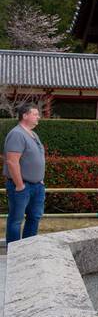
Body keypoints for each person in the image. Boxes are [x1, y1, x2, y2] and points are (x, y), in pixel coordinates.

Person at [4, 101, 46, 244]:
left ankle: (28, 251)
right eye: (35, 114)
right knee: (16, 220)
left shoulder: (33, 134)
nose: (38, 117)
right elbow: (12, 161)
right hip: (22, 186)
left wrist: (40, 180)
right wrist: (19, 185)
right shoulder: (17, 134)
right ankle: (15, 254)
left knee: (34, 217)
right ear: (25, 115)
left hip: (37, 186)